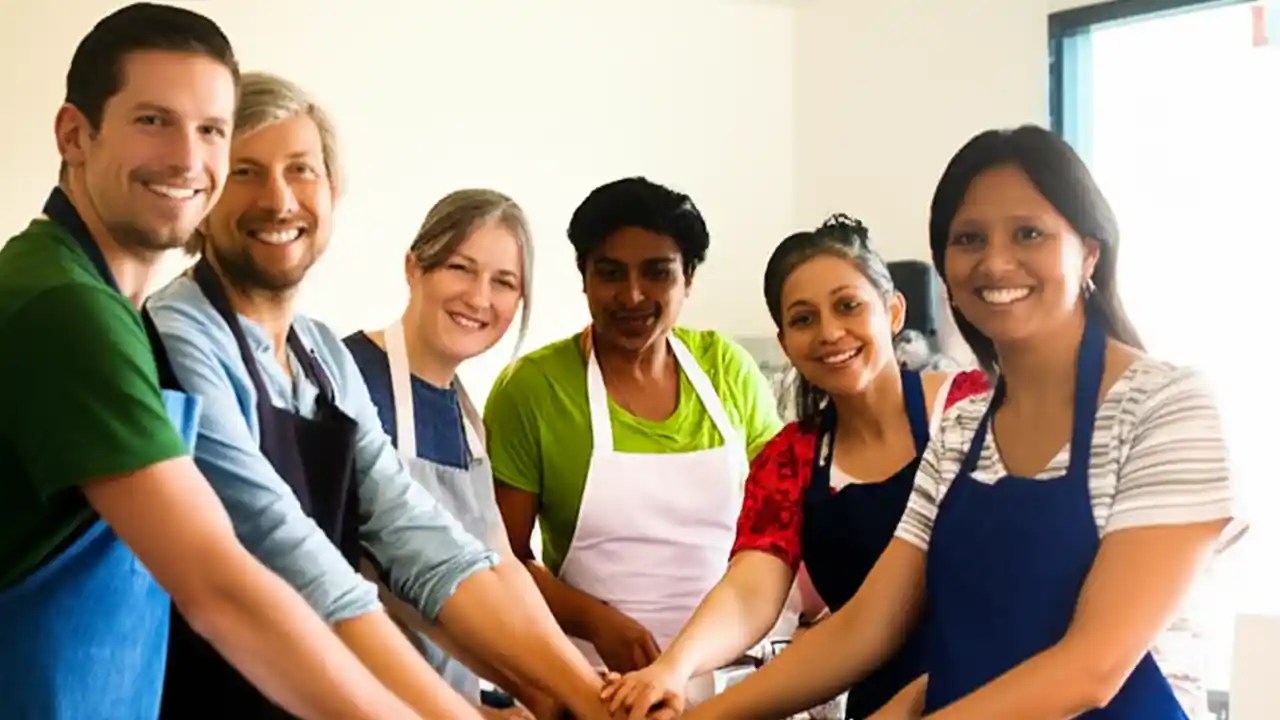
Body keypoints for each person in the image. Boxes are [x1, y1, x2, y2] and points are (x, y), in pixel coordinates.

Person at [682, 125, 1248, 720]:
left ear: (1089, 251)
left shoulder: (1165, 408)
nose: (995, 261)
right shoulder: (960, 432)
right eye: (969, 238)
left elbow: (1091, 669)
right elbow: (867, 626)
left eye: (1028, 232)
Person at [0, 5, 428, 720]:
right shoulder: (64, 309)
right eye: (152, 121)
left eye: (211, 131)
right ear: (74, 134)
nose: (188, 160)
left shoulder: (101, 302)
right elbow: (220, 588)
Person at [146, 72, 608, 720]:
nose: (279, 200)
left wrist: (587, 699)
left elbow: (419, 540)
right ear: (204, 193)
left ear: (333, 193)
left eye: (301, 170)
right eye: (246, 171)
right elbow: (278, 546)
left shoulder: (322, 356)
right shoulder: (178, 333)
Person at [601, 215, 989, 720]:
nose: (830, 332)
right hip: (874, 700)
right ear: (785, 343)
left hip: (993, 689)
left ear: (893, 312)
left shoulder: (967, 410)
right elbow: (750, 591)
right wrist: (673, 669)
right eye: (804, 319)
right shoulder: (793, 458)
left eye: (848, 306)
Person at [484, 176, 785, 701]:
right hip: (598, 688)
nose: (632, 295)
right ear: (583, 278)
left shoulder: (727, 370)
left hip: (734, 683)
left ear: (688, 279)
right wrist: (595, 622)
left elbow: (783, 526)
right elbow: (501, 561)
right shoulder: (533, 390)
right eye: (609, 273)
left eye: (657, 272)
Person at [345, 188, 588, 718]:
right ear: (415, 267)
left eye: (504, 282)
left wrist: (572, 681)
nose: (481, 299)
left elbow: (503, 571)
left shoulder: (466, 416)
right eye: (461, 268)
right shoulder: (349, 381)